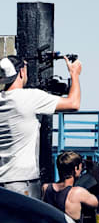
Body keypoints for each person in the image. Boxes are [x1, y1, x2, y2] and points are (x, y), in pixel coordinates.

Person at [0, 55, 81, 199]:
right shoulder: (30, 97)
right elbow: (73, 103)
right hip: (22, 180)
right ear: (21, 72)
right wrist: (74, 74)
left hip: (2, 179)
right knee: (25, 221)